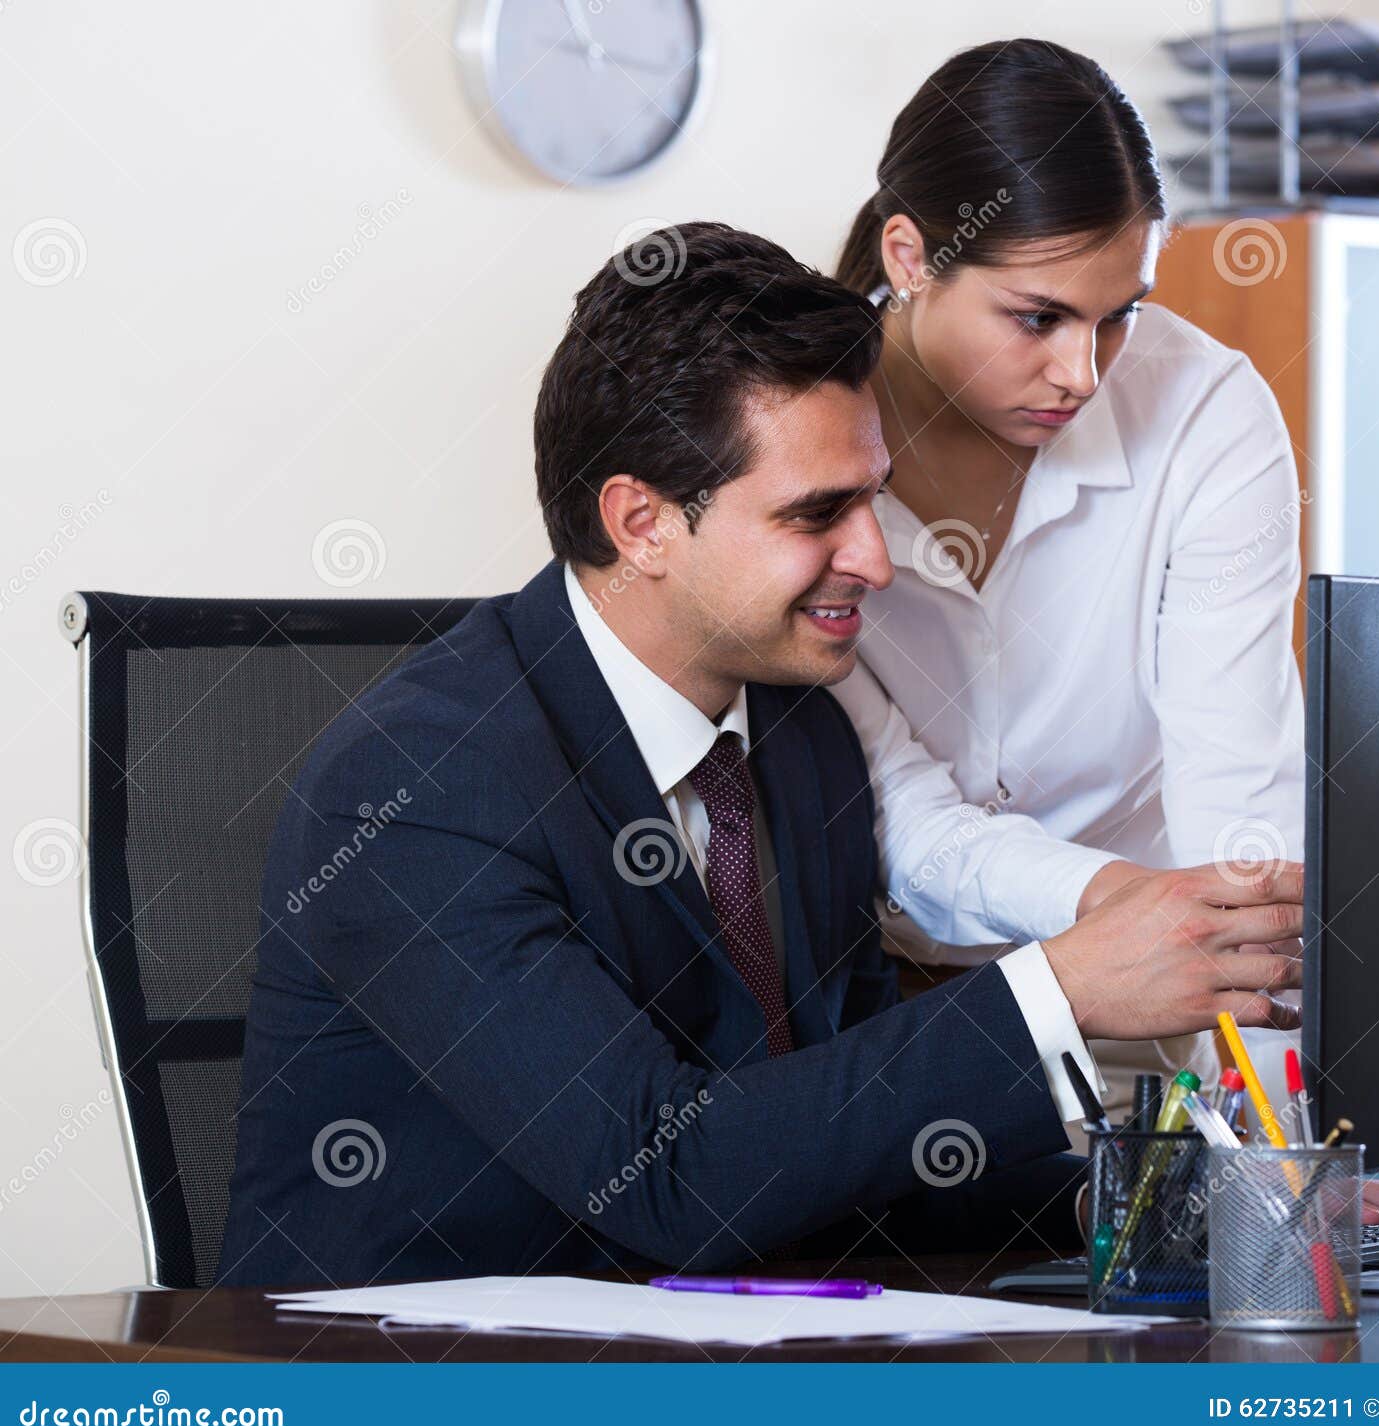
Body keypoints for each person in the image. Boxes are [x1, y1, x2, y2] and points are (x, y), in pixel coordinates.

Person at [215, 223, 1310, 1287]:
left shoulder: (797, 737)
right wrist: (1059, 986)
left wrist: (1165, 1202)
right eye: (817, 514)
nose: (876, 562)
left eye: (873, 500)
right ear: (641, 522)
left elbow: (848, 1144)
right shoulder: (420, 785)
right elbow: (669, 1176)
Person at [826, 37, 1305, 1111]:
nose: (1079, 374)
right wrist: (1123, 902)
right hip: (876, 1021)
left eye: (1117, 313)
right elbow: (900, 819)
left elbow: (1241, 802)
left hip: (1159, 1016)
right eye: (1036, 317)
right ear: (908, 256)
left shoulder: (1204, 413)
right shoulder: (802, 432)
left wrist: (1280, 1147)